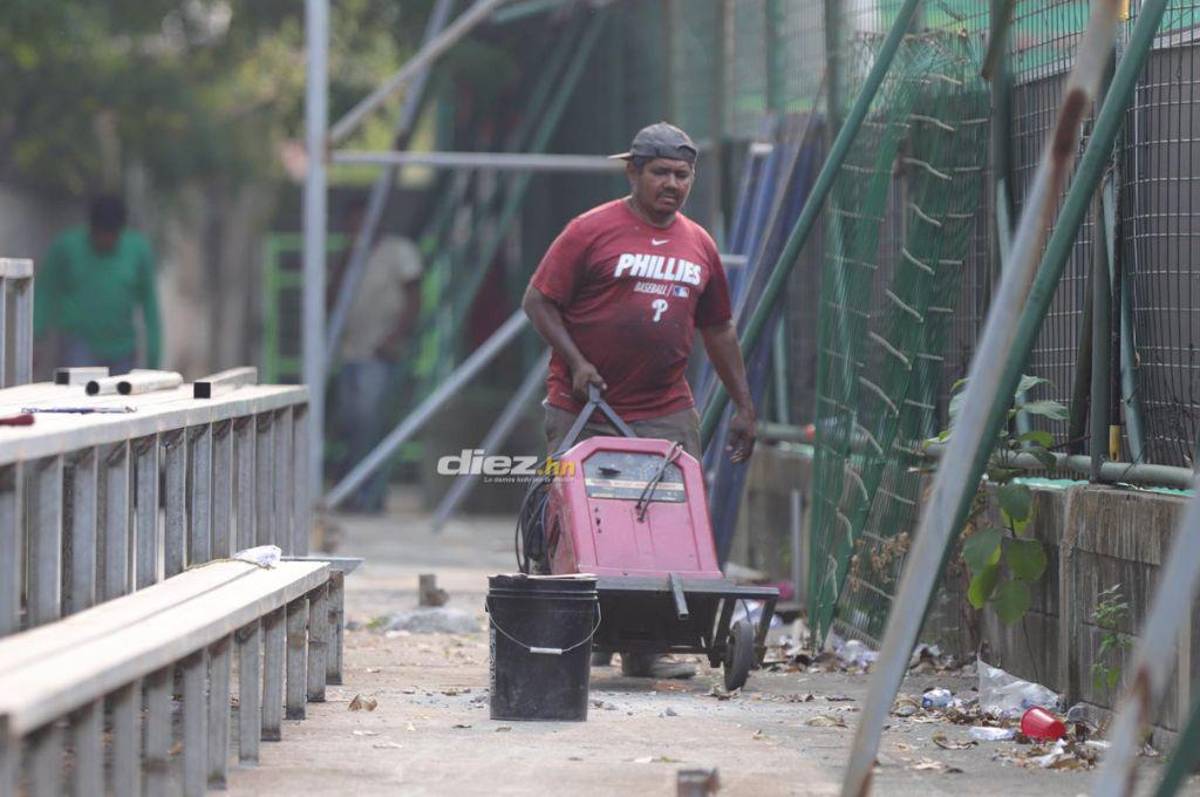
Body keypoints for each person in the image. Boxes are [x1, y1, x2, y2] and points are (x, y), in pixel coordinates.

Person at [522, 122, 757, 679]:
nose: (671, 184)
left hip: (665, 406)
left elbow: (718, 329)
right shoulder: (590, 230)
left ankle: (645, 645)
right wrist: (577, 362)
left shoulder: (699, 243)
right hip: (581, 404)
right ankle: (571, 633)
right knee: (569, 518)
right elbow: (538, 302)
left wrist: (743, 406)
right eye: (660, 173)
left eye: (681, 174)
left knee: (662, 522)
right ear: (634, 172)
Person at [328, 200, 424, 513]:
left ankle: (368, 493)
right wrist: (347, 257)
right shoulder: (350, 257)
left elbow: (414, 295)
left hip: (380, 353)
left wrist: (395, 338)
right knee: (352, 422)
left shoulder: (399, 251)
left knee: (369, 422)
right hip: (351, 351)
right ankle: (353, 489)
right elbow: (331, 298)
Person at [34, 195, 162, 372]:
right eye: (100, 233)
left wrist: (154, 356)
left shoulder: (138, 251)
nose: (105, 240)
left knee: (120, 399)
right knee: (80, 397)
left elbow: (150, 305)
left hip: (122, 349)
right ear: (91, 228)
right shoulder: (66, 248)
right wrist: (34, 338)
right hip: (79, 344)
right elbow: (45, 293)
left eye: (111, 235)